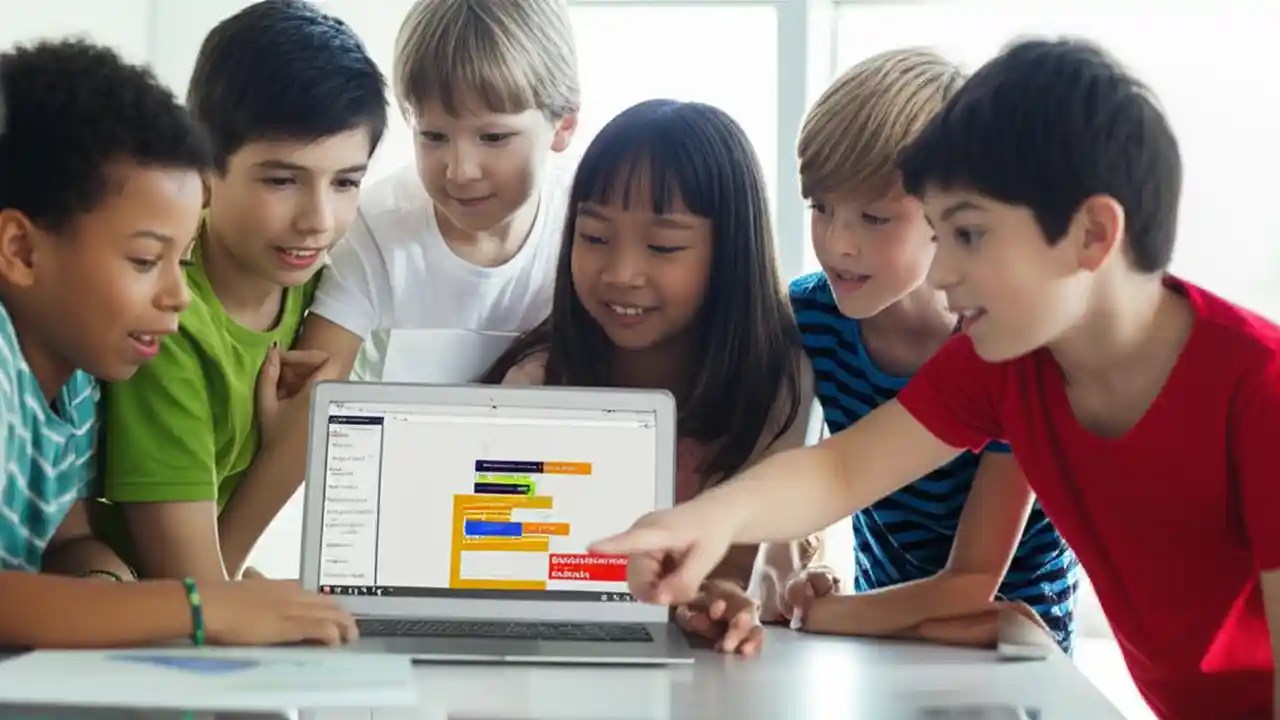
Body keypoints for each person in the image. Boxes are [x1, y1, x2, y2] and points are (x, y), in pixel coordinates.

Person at [592, 38, 1280, 720]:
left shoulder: (1261, 393)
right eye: (941, 235)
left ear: (1092, 234)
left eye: (970, 235)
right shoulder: (1007, 366)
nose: (943, 272)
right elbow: (839, 473)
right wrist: (701, 522)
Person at [0, 38, 354, 648]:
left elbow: (65, 538)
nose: (179, 295)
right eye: (144, 260)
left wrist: (107, 587)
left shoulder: (76, 380)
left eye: (182, 257)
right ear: (22, 251)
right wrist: (200, 604)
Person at [767, 48, 1077, 651]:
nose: (838, 243)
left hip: (1012, 648)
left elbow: (973, 588)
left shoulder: (1016, 344)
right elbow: (782, 498)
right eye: (820, 208)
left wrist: (825, 616)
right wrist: (797, 577)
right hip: (880, 636)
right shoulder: (808, 317)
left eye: (876, 218)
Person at [484, 99, 817, 655]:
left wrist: (718, 600)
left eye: (663, 246)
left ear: (730, 253)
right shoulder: (539, 381)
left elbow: (735, 568)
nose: (620, 274)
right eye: (594, 237)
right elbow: (508, 563)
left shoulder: (777, 383)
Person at [98, 0, 388, 582]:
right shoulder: (168, 321)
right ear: (202, 165)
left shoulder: (325, 294)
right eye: (282, 180)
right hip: (111, 613)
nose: (318, 220)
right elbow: (193, 595)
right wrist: (288, 452)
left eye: (346, 182)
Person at [300, 0, 581, 382]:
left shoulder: (586, 228)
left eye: (494, 137)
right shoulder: (377, 229)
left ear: (562, 125)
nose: (460, 171)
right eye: (433, 136)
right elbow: (312, 399)